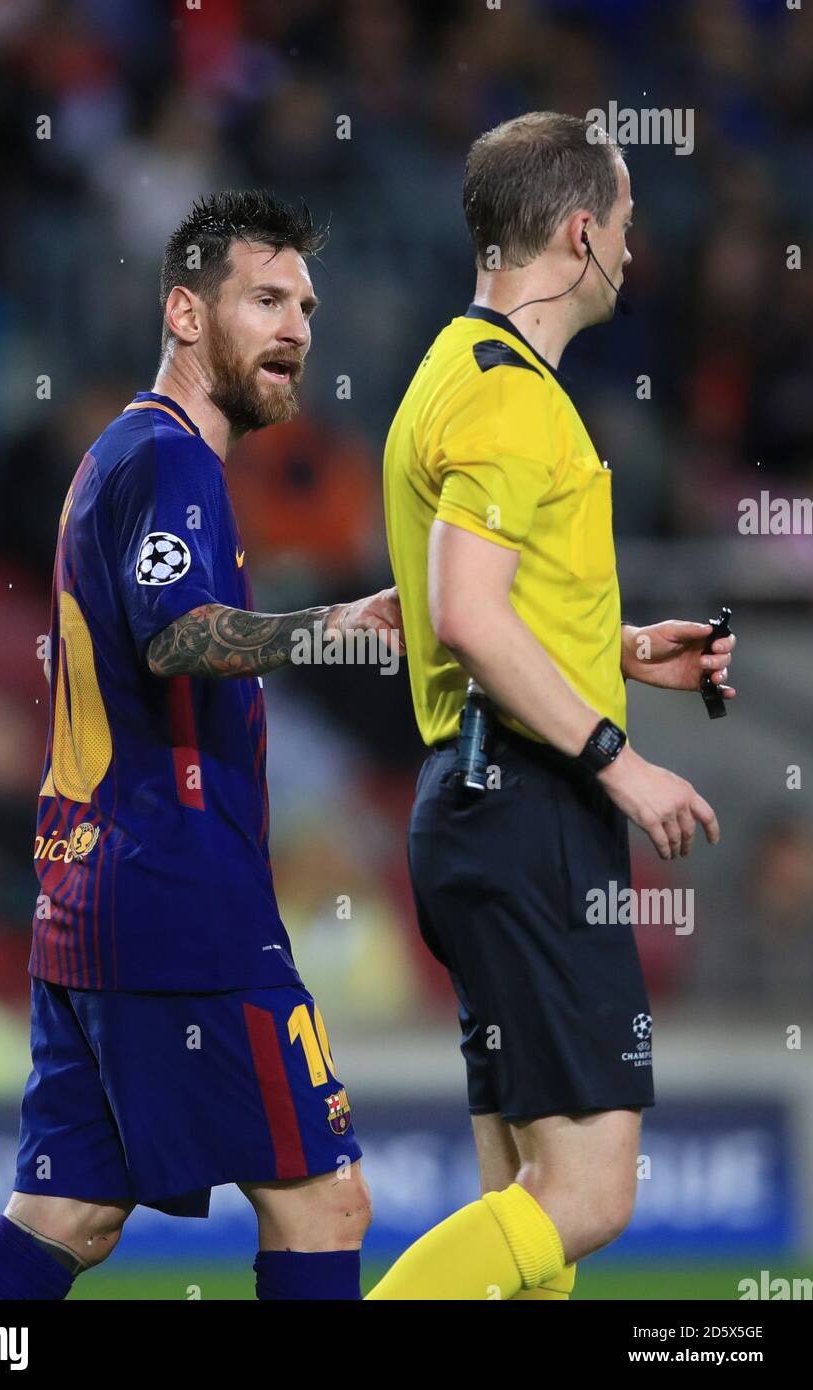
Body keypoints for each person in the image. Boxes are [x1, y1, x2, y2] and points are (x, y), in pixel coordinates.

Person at [0, 190, 401, 1302]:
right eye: (264, 298)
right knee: (324, 1200)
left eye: (304, 303)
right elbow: (178, 634)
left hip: (88, 890)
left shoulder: (122, 455)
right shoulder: (171, 460)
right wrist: (335, 623)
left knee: (69, 1212)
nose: (296, 325)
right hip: (177, 894)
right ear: (186, 316)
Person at [370, 112, 737, 1300]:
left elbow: (487, 601)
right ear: (581, 232)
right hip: (528, 809)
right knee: (589, 1195)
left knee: (525, 1205)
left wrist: (619, 649)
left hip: (481, 803)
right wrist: (618, 759)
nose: (633, 252)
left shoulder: (452, 373)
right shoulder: (512, 402)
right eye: (625, 227)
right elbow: (470, 617)